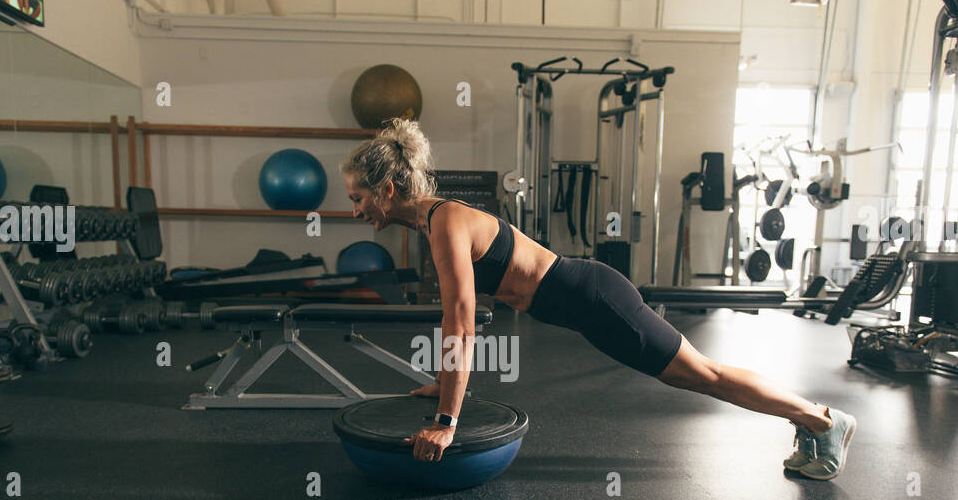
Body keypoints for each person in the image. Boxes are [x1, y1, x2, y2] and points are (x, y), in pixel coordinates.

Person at [341, 119, 856, 480]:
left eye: (358, 198)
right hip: (586, 302)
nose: (357, 210)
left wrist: (447, 422)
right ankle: (814, 420)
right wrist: (446, 383)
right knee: (699, 374)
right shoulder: (438, 221)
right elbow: (473, 308)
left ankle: (822, 420)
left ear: (387, 189)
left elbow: (461, 321)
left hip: (596, 300)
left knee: (702, 376)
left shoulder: (444, 221)